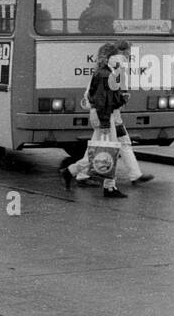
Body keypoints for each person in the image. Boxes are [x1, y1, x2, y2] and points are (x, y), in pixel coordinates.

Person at [61, 40, 154, 198]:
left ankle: (72, 172)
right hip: (105, 116)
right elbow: (100, 99)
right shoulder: (105, 74)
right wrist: (106, 120)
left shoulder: (108, 72)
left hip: (109, 116)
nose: (126, 58)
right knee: (108, 151)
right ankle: (108, 186)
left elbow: (108, 96)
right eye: (123, 55)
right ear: (114, 56)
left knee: (105, 150)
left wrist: (121, 99)